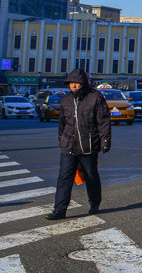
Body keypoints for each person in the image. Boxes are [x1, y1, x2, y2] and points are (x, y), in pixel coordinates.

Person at [46, 69, 111, 220]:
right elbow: (62, 124)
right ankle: (59, 210)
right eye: (71, 83)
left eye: (77, 83)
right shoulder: (66, 100)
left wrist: (105, 141)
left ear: (82, 83)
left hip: (88, 145)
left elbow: (103, 121)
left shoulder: (95, 97)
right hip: (68, 145)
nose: (74, 86)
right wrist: (61, 141)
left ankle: (94, 203)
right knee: (64, 177)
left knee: (91, 175)